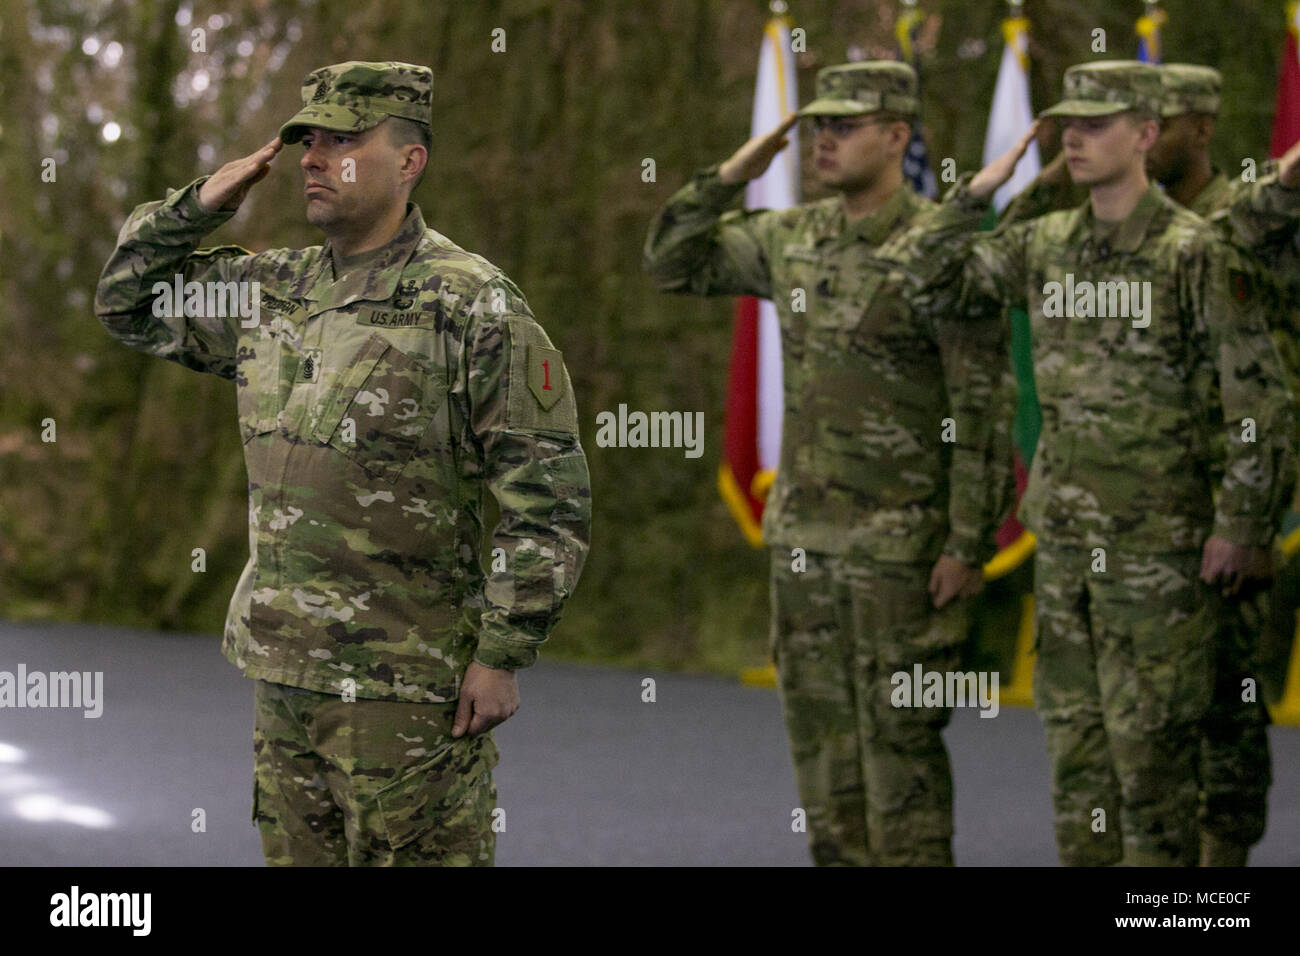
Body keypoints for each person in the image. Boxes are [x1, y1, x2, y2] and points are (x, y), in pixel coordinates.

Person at [94, 60, 591, 866]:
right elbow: (127, 302)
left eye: (345, 140)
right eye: (308, 140)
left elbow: (549, 496)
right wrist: (199, 206)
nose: (314, 158)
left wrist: (503, 651)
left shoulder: (469, 303)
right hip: (282, 672)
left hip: (407, 688)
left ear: (409, 160)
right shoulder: (268, 290)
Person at [644, 60, 1028, 865]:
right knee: (822, 760)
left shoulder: (941, 252)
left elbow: (984, 407)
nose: (822, 140)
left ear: (897, 136)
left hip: (904, 551)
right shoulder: (794, 238)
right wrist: (728, 177)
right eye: (817, 125)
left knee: (901, 762)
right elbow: (673, 262)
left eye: (843, 126)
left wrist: (968, 541)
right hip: (806, 545)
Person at [951, 60, 1294, 866]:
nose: (1074, 135)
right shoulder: (1052, 243)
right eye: (1067, 120)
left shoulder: (1203, 246)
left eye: (1098, 122)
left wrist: (1243, 524)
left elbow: (1262, 399)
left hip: (1173, 542)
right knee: (1082, 763)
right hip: (1074, 547)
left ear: (1152, 133)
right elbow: (936, 277)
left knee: (1170, 762)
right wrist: (993, 188)